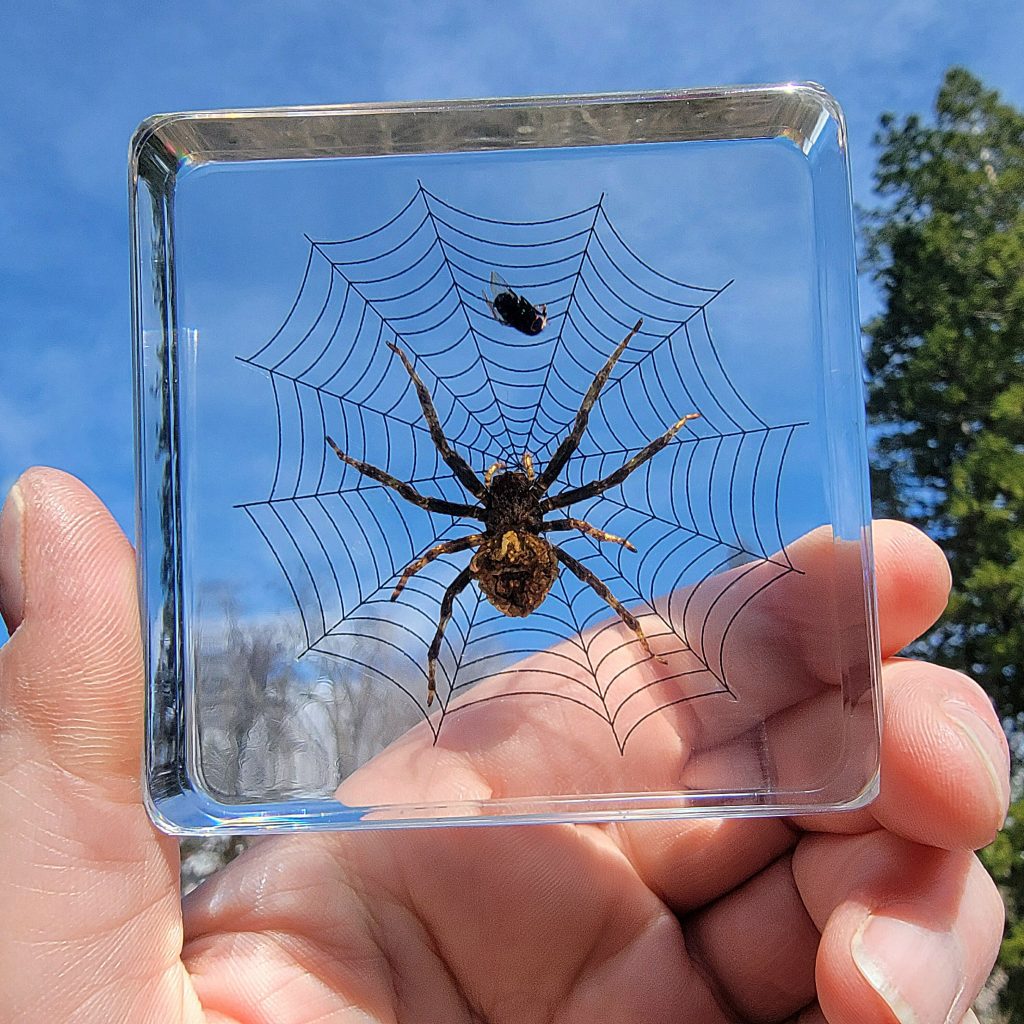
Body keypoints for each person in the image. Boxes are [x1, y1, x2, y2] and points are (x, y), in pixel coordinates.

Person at [0, 467, 1008, 1024]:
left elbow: (464, 520)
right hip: (516, 572)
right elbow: (452, 511)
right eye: (509, 490)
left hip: (508, 572)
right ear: (508, 507)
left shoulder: (497, 524)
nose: (512, 487)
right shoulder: (509, 520)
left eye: (514, 490)